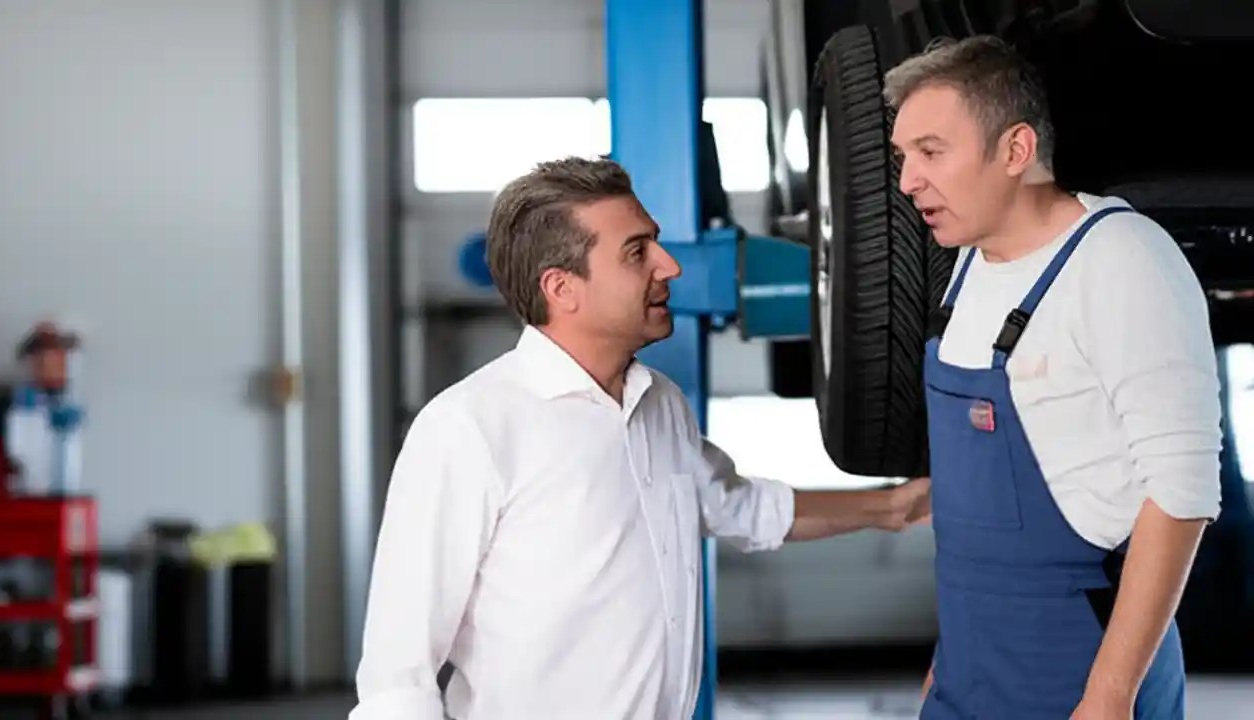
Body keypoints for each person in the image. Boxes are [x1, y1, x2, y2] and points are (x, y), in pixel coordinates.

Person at [347, 156, 931, 720]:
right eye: (637, 252)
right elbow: (400, 675)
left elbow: (740, 507)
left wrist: (894, 507)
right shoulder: (470, 427)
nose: (669, 266)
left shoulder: (660, 405)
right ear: (562, 287)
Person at [886, 35, 1222, 719]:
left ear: (1014, 151)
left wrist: (1109, 695)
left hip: (1079, 672)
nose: (907, 181)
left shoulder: (1121, 261)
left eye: (931, 151)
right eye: (904, 157)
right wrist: (946, 660)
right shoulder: (971, 266)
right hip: (968, 673)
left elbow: (1182, 493)